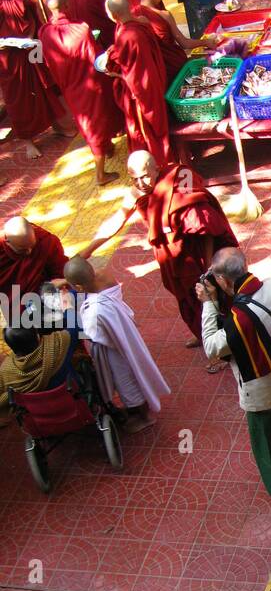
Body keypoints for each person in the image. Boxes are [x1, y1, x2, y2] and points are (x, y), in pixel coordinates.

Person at [78, 151, 237, 346]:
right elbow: (118, 219)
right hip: (169, 256)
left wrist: (208, 265)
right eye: (134, 178)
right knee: (186, 299)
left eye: (145, 176)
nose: (141, 183)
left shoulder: (181, 178)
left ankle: (223, 343)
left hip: (195, 254)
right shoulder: (136, 193)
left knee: (211, 297)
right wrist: (89, 249)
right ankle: (203, 332)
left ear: (156, 169)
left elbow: (203, 223)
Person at [199, 249, 271, 504]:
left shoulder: (239, 320)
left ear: (223, 280)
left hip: (264, 393)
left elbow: (211, 347)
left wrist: (208, 304)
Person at [62, 256, 169, 432]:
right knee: (134, 375)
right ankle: (139, 410)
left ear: (79, 287)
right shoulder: (104, 278)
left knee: (127, 382)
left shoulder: (95, 311)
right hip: (125, 338)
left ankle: (145, 417)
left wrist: (68, 308)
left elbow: (89, 334)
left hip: (114, 352)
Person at [38, 0, 122, 186]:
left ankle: (107, 146)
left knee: (89, 123)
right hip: (89, 84)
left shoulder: (44, 32)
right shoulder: (81, 29)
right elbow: (95, 59)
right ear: (67, 6)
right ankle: (100, 175)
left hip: (68, 86)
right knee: (96, 124)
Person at [0, 0, 72, 161]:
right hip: (6, 60)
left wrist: (29, 39)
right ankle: (28, 141)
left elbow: (33, 20)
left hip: (28, 51)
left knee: (43, 87)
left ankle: (58, 125)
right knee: (17, 101)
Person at [103, 0, 172, 169]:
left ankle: (157, 166)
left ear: (113, 15)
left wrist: (116, 75)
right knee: (159, 126)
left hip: (142, 92)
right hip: (155, 80)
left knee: (147, 132)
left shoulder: (128, 35)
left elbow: (132, 73)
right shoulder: (142, 23)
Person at [133, 0, 201, 85]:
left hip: (152, 71)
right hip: (173, 67)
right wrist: (206, 42)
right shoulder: (164, 15)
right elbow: (185, 44)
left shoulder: (133, 16)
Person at [0, 323, 80, 400]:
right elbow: (76, 325)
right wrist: (68, 310)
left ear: (12, 349)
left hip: (40, 410)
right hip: (71, 396)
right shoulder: (60, 343)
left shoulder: (6, 372)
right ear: (38, 336)